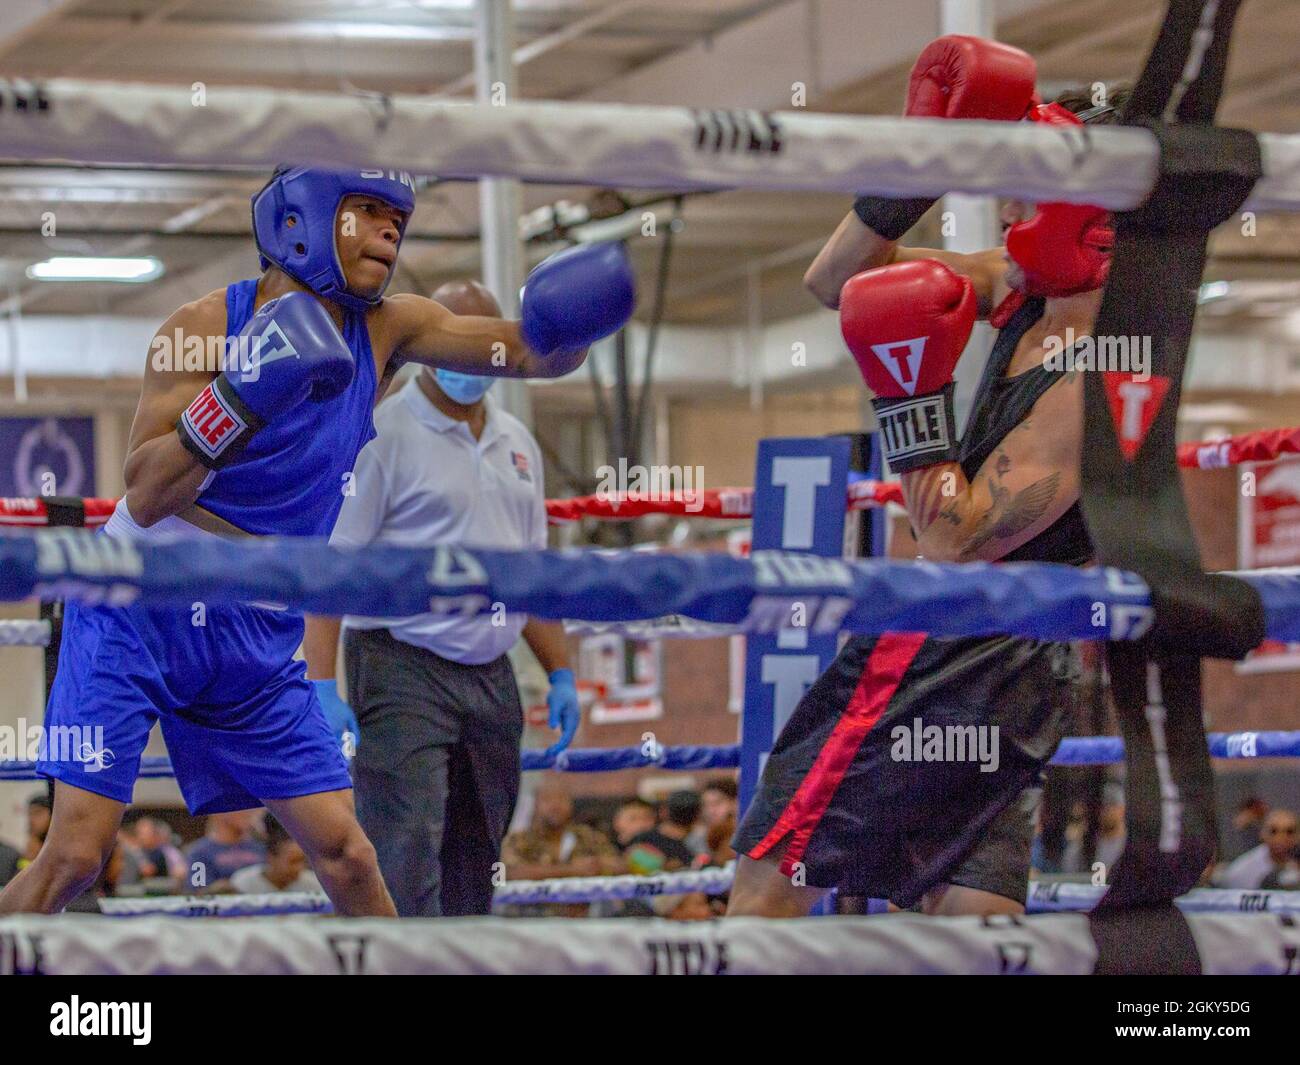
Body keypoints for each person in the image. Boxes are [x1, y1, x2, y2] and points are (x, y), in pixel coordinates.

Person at [0, 164, 634, 918]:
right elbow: (145, 487)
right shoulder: (203, 325)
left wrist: (567, 329)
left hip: (256, 623)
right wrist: (241, 395)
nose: (389, 232)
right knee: (74, 856)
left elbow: (523, 354)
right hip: (137, 598)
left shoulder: (389, 326)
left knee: (350, 855)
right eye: (367, 211)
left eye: (397, 218)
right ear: (300, 220)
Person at [729, 35, 1125, 918]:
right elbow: (838, 282)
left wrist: (909, 391)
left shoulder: (1093, 375)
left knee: (771, 874)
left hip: (949, 643)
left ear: (1090, 208)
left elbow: (951, 540)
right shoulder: (1027, 291)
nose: (1018, 196)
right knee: (973, 928)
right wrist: (924, 160)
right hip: (1024, 670)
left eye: (1037, 178)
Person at [302, 278, 581, 917]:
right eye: (463, 343)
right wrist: (319, 684)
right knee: (404, 851)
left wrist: (562, 671)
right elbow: (329, 565)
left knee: (478, 854)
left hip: (491, 673)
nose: (474, 360)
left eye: (488, 346)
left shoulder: (518, 443)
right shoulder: (380, 434)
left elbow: (530, 571)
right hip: (402, 667)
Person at [230, 814, 323, 894]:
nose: (299, 868)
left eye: (303, 861)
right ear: (271, 858)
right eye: (293, 861)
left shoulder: (315, 885)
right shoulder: (243, 883)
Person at [184, 810, 266, 893]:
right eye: (239, 808)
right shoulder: (199, 852)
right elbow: (197, 891)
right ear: (221, 813)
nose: (247, 812)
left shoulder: (261, 848)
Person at [1216, 809, 1299, 890]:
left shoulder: (1295, 863)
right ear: (1262, 834)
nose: (1281, 837)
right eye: (1273, 831)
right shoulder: (1240, 873)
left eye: (1290, 832)